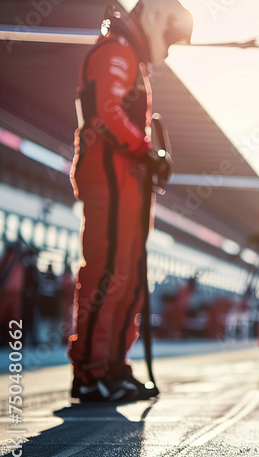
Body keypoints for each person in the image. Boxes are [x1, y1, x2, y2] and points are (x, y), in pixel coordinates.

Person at [68, 0, 192, 402]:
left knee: (130, 277)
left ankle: (114, 366)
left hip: (126, 181)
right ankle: (92, 371)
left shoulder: (128, 56)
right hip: (110, 178)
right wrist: (146, 151)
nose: (169, 49)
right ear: (156, 19)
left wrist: (146, 157)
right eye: (171, 40)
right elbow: (105, 111)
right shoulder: (116, 52)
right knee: (108, 274)